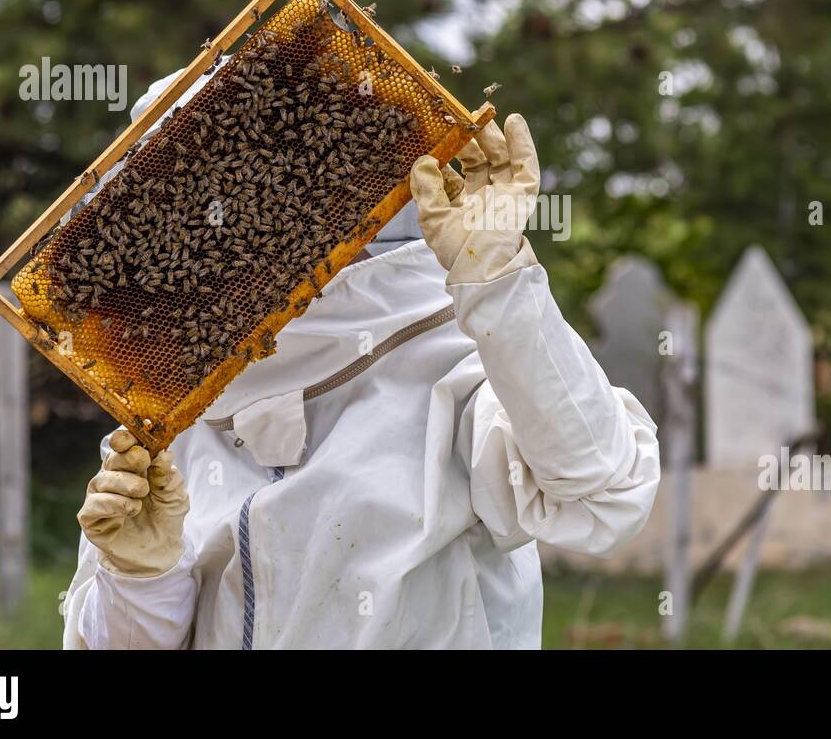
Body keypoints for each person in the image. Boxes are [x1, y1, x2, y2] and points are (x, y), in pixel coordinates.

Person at [62, 71, 660, 649]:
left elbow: (602, 493)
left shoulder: (457, 367)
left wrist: (501, 287)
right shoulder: (164, 417)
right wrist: (143, 579)